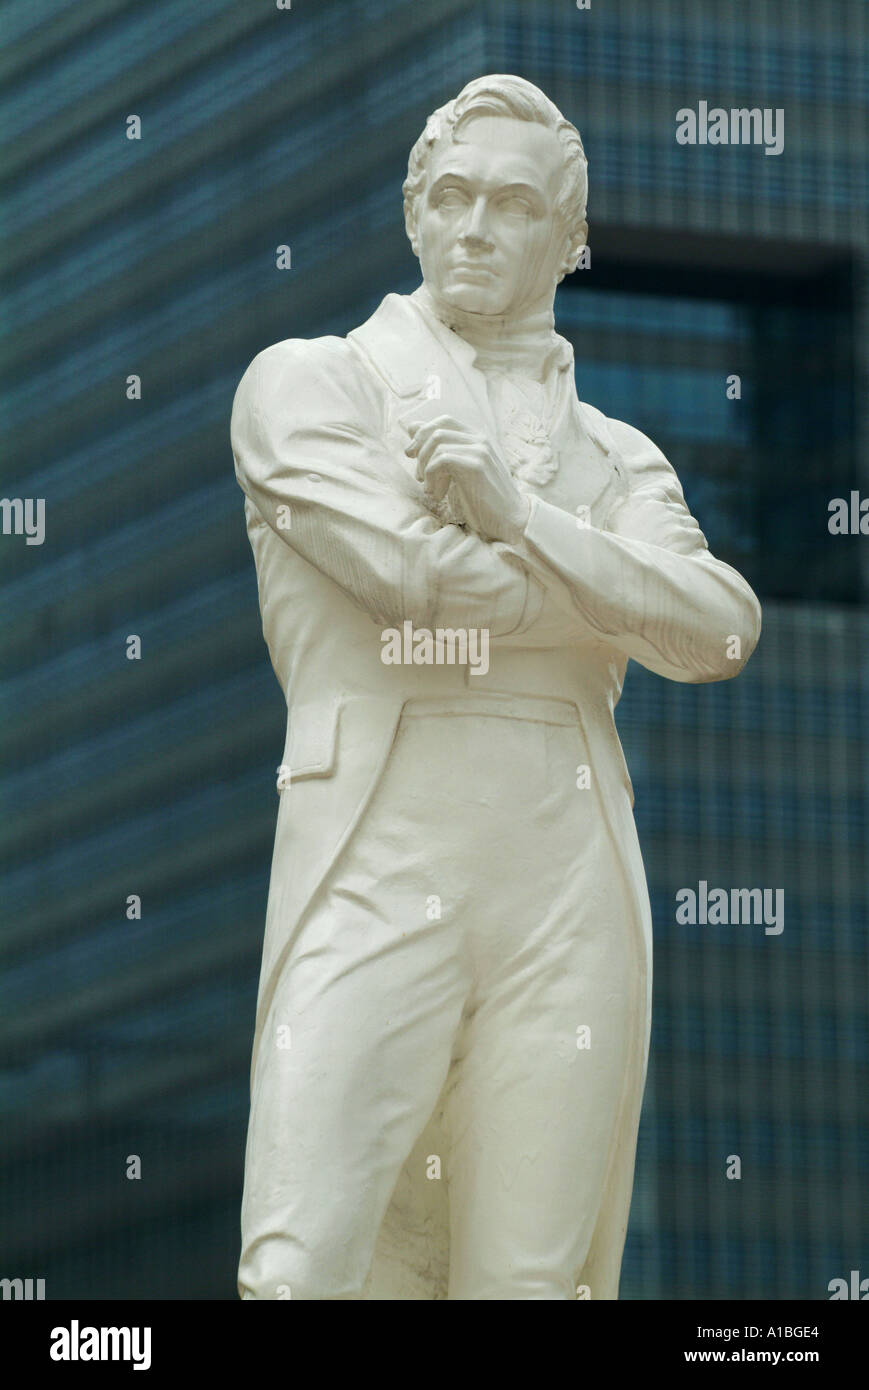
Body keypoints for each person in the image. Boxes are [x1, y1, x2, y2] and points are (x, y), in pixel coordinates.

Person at [231, 74, 761, 1300]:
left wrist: (521, 514)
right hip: (374, 854)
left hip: (564, 881)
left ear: (567, 240)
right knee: (301, 1263)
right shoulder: (309, 386)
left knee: (529, 1281)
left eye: (514, 205)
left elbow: (720, 627)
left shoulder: (616, 456)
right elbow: (418, 581)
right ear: (413, 214)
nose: (475, 225)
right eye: (452, 197)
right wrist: (604, 595)